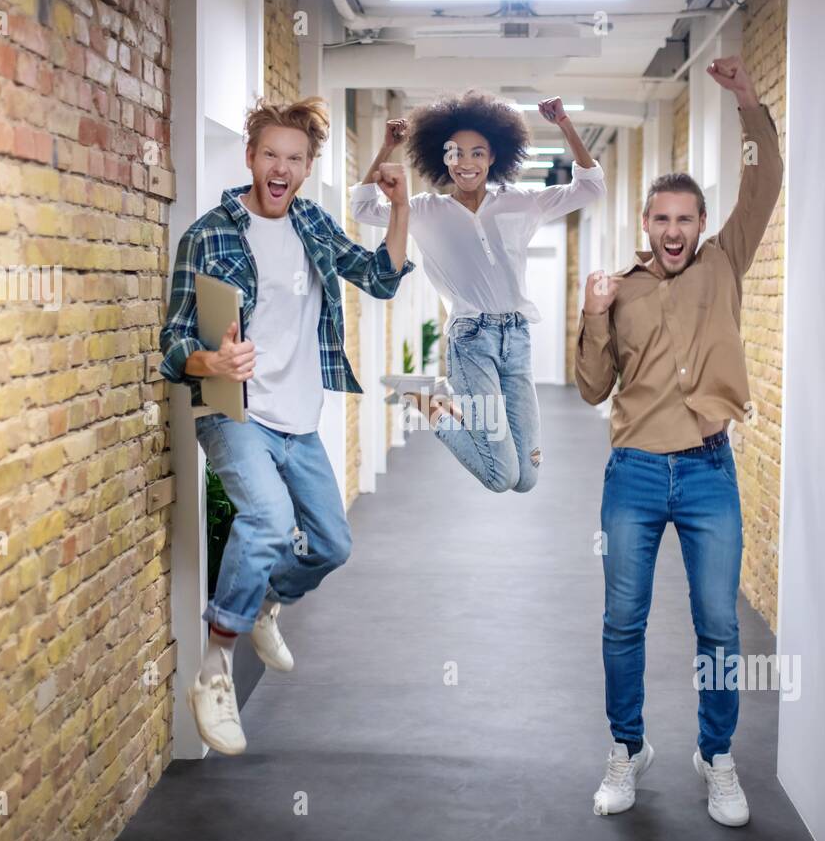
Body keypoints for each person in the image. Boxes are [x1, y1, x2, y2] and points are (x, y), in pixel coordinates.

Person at [159, 96, 414, 755]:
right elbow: (171, 342)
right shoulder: (209, 233)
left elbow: (378, 279)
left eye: (294, 158)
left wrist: (401, 208)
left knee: (331, 544)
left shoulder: (313, 224)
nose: (281, 167)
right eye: (270, 154)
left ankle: (268, 600)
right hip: (234, 411)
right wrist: (211, 358)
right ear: (250, 158)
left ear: (306, 168)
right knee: (269, 521)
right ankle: (214, 667)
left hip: (299, 421)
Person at [575, 57, 783, 821]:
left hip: (706, 473)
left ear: (701, 225)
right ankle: (626, 751)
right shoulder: (620, 289)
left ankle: (717, 755)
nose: (672, 231)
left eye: (684, 219)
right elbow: (594, 388)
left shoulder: (725, 264)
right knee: (622, 621)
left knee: (719, 624)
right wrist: (593, 314)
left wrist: (748, 103)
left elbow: (764, 183)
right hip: (631, 471)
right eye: (660, 219)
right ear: (645, 224)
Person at [350, 91, 604, 493]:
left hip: (517, 339)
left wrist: (564, 125)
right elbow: (363, 207)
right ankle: (427, 404)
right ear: (442, 158)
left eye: (477, 153)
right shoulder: (424, 211)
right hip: (471, 342)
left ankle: (452, 407)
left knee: (527, 477)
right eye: (456, 153)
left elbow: (590, 187)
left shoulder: (521, 203)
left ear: (493, 158)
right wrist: (385, 148)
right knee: (501, 476)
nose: (466, 163)